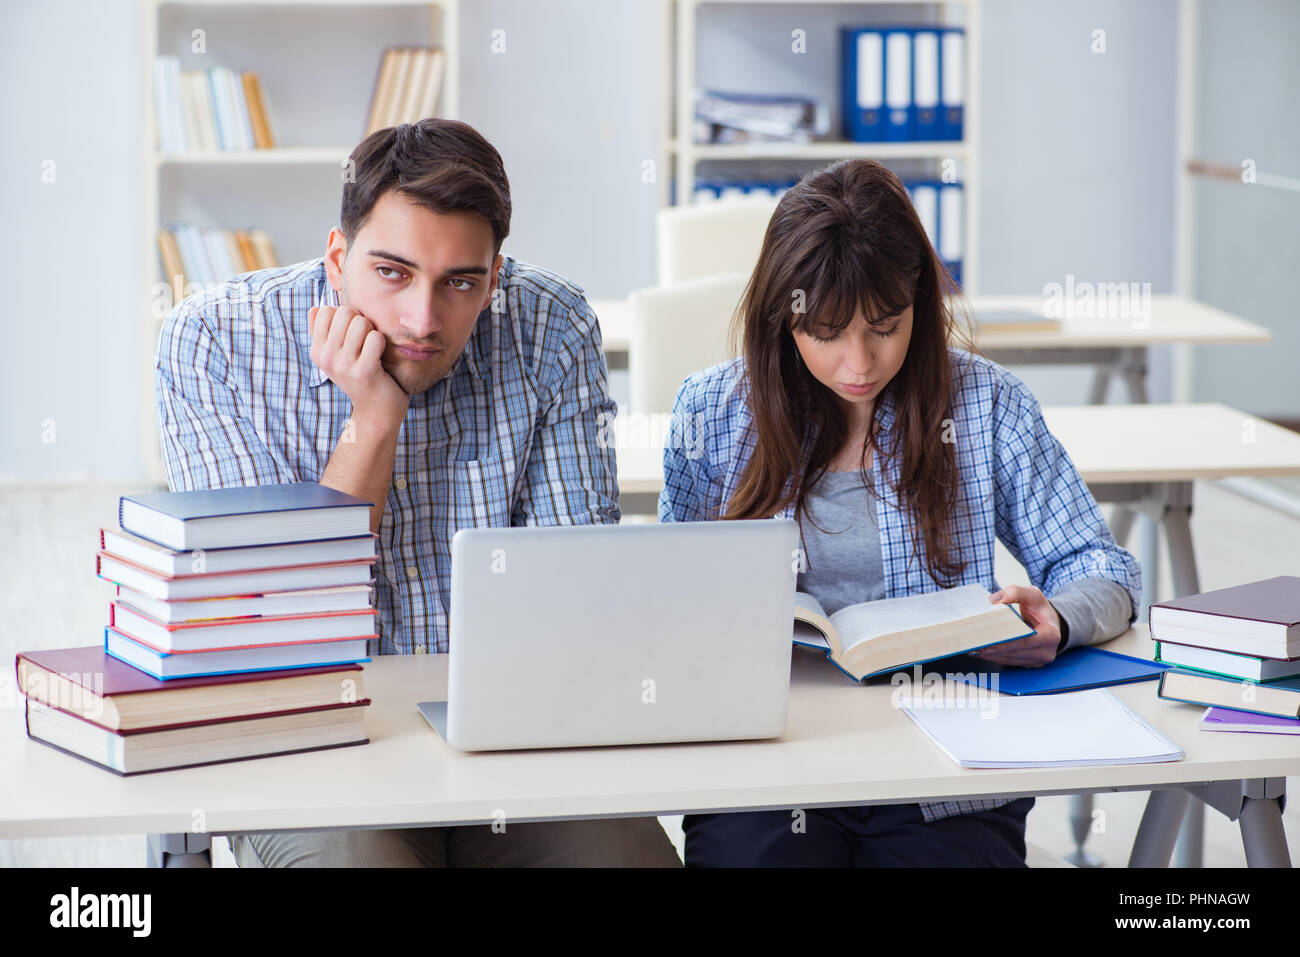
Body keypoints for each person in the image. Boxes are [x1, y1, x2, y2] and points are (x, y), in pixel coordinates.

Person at [156, 118, 680, 868]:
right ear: (337, 258)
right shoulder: (213, 342)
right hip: (314, 744)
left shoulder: (552, 328)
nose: (422, 320)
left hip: (509, 743)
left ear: (495, 277)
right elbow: (279, 612)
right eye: (392, 272)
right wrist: (374, 419)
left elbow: (573, 600)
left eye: (460, 282)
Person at [657, 158, 1142, 867]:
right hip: (771, 762)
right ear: (782, 319)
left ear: (920, 299)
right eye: (826, 332)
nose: (860, 362)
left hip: (944, 769)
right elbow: (670, 597)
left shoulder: (986, 403)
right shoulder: (713, 411)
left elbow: (1105, 567)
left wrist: (1060, 619)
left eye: (885, 325)